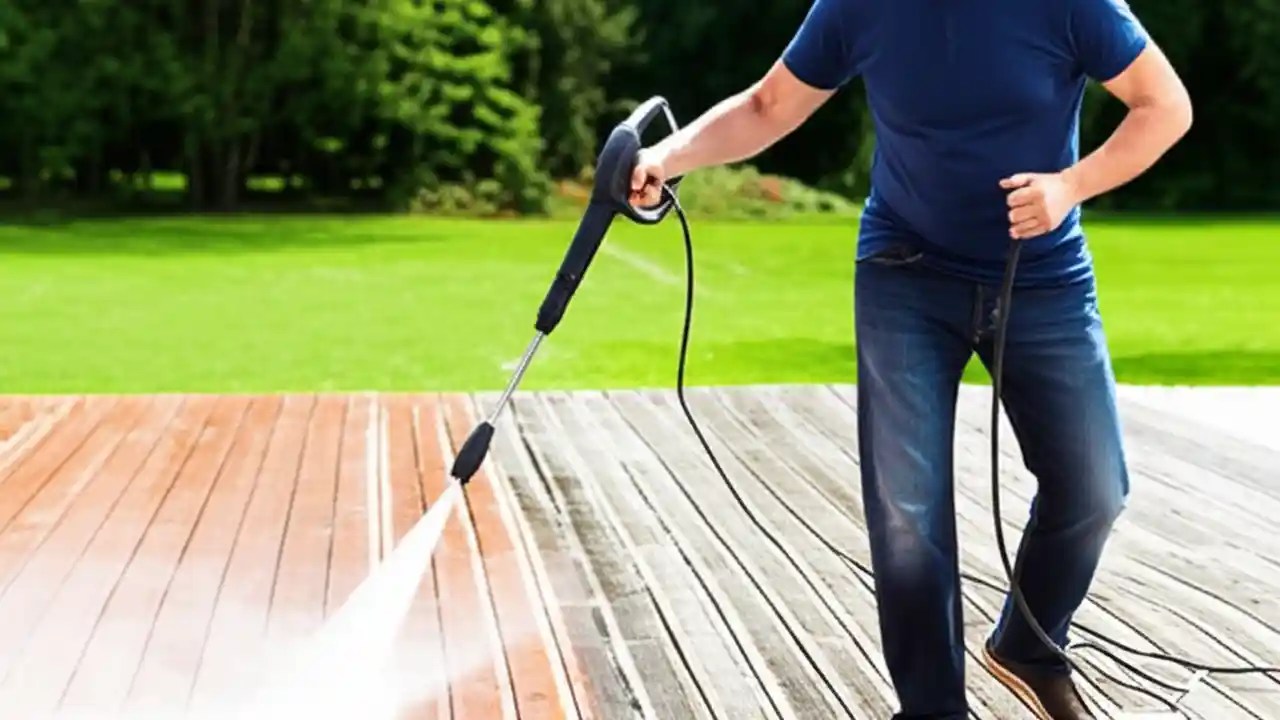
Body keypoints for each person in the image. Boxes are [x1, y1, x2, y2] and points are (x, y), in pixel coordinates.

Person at [628, 1, 1192, 718]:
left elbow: (1164, 105)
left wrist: (1068, 187)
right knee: (907, 516)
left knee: (1093, 489)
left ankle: (1027, 640)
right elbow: (770, 105)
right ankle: (932, 709)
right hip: (906, 271)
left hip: (1042, 278)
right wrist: (665, 159)